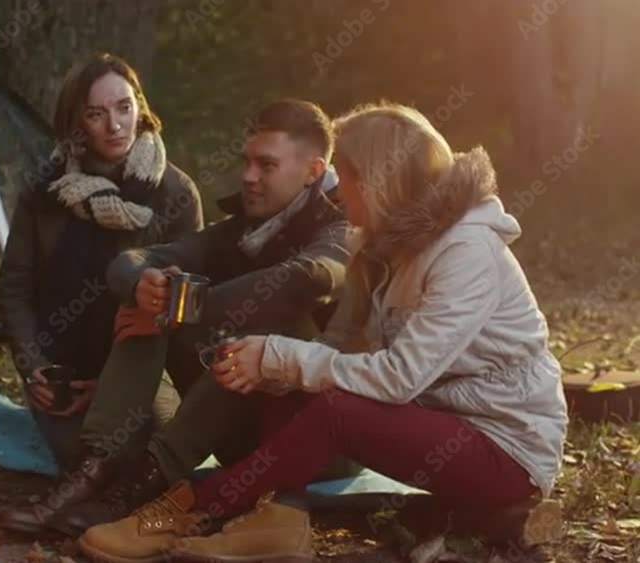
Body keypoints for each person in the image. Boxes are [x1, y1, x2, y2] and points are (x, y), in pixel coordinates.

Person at [78, 102, 570, 562]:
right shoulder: (382, 249)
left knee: (331, 401)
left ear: (379, 182)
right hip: (441, 426)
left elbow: (401, 378)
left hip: (507, 451)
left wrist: (279, 356)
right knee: (295, 378)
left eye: (348, 178)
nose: (337, 191)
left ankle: (187, 509)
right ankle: (280, 521)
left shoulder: (466, 252)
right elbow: (335, 348)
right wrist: (274, 367)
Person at [0, 99, 351, 536]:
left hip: (319, 443)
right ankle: (95, 469)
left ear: (313, 172)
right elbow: (133, 261)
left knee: (253, 327)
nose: (248, 176)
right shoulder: (249, 228)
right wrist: (148, 286)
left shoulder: (344, 226)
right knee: (153, 295)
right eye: (247, 162)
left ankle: (144, 484)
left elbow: (304, 281)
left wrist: (182, 314)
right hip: (241, 429)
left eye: (267, 165)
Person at [0, 53, 204, 473]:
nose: (115, 125)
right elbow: (15, 287)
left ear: (140, 110)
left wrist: (113, 387)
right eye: (97, 114)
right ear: (76, 121)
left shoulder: (175, 192)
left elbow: (191, 304)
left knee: (144, 457)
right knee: (78, 458)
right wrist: (33, 367)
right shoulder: (45, 192)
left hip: (142, 369)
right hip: (61, 367)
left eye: (124, 108)